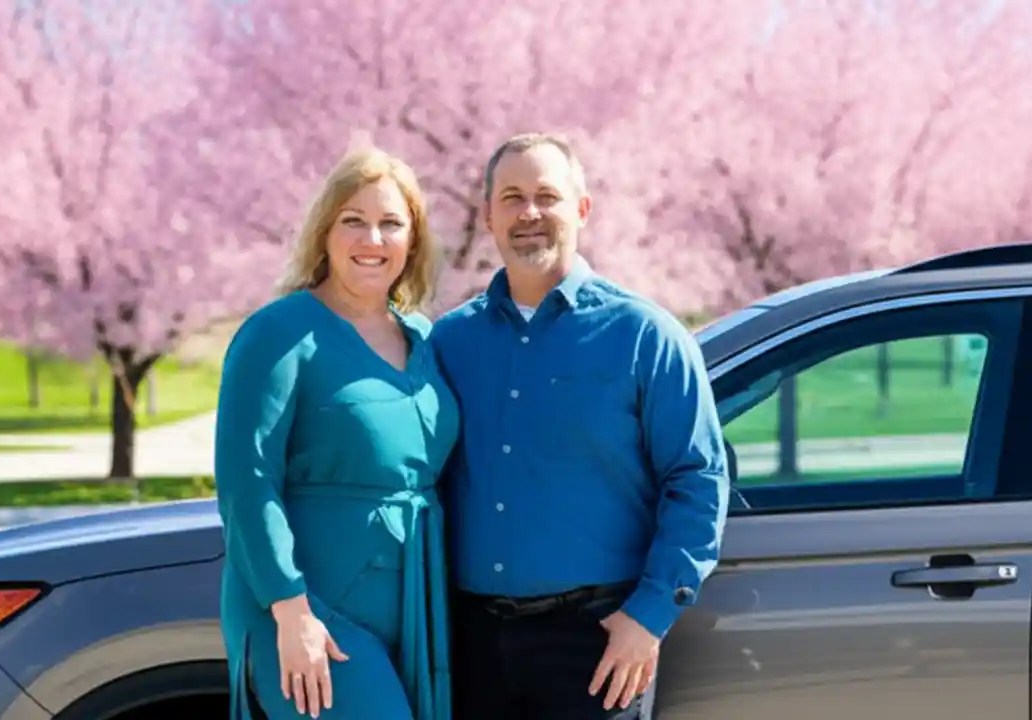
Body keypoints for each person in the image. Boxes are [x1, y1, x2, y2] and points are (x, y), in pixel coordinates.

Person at [429, 132, 730, 719]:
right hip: (473, 644)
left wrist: (648, 617)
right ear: (488, 215)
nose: (530, 213)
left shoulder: (646, 336)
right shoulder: (449, 342)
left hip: (597, 642)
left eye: (548, 195)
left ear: (582, 209)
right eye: (512, 197)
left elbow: (698, 480)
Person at [215, 147, 459, 719]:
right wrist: (290, 608)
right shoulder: (277, 333)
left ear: (413, 241)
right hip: (309, 608)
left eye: (391, 223)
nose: (372, 239)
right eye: (353, 221)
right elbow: (246, 483)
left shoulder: (422, 337)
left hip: (416, 605)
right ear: (324, 233)